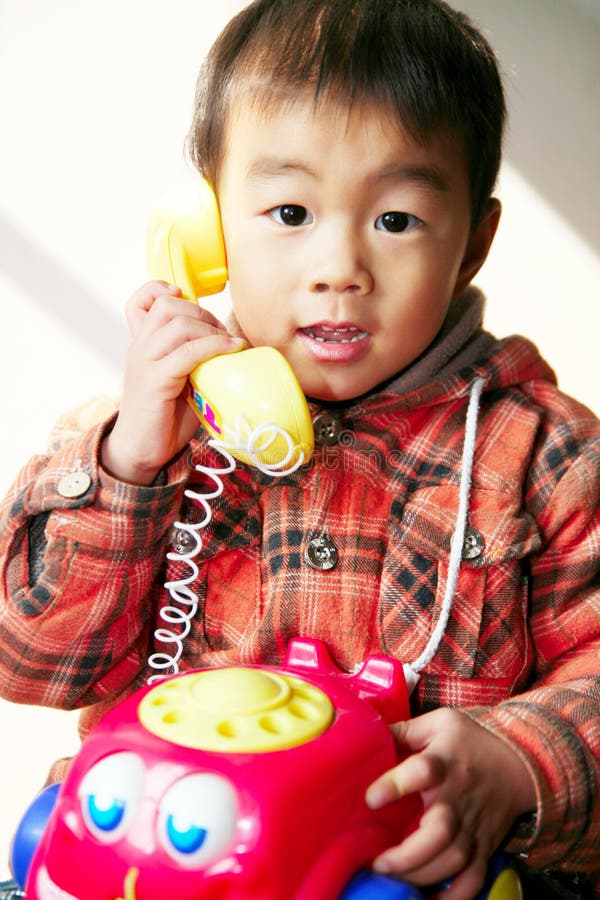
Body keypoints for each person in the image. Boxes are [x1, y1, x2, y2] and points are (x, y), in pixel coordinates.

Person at [0, 0, 598, 897]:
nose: (338, 267)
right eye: (289, 210)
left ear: (473, 241)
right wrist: (131, 464)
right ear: (206, 229)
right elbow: (31, 659)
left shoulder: (547, 454)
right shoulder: (148, 442)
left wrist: (518, 765)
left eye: (396, 220)